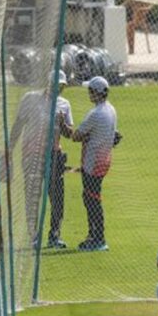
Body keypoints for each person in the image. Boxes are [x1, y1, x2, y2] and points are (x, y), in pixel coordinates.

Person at [10, 71, 74, 248]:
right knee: (32, 197)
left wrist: (62, 124)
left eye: (62, 86)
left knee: (57, 198)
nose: (59, 89)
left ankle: (54, 235)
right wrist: (9, 149)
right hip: (32, 155)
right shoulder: (30, 98)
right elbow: (18, 124)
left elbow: (69, 133)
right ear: (48, 83)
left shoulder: (64, 104)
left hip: (54, 156)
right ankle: (33, 236)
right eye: (56, 85)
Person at [60, 75, 118, 252]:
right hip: (104, 160)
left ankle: (98, 238)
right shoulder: (111, 110)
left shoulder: (95, 114)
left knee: (92, 200)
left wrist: (63, 124)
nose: (88, 94)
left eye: (90, 91)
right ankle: (94, 235)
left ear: (96, 93)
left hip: (93, 162)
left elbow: (75, 136)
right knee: (91, 198)